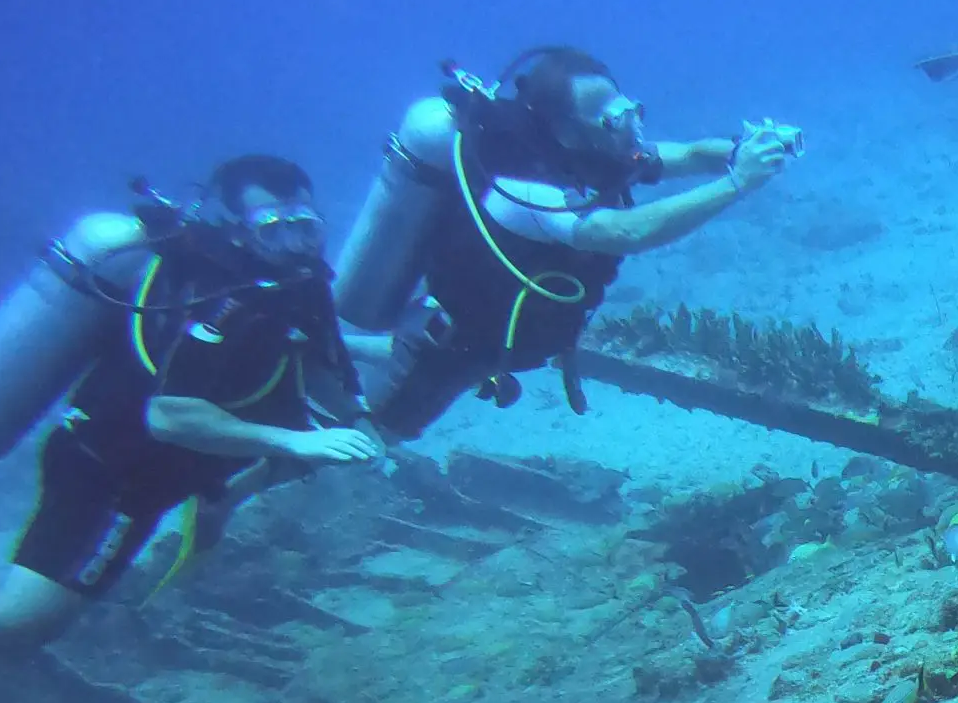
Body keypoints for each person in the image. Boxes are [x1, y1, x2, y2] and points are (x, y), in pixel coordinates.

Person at [0, 157, 379, 654]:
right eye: (273, 228)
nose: (295, 242)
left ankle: (215, 501)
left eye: (304, 225)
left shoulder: (293, 282)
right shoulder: (225, 301)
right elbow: (169, 415)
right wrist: (295, 440)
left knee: (38, 620)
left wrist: (367, 396)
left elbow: (311, 359)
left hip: (148, 476)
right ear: (236, 230)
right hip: (107, 470)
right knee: (16, 617)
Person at [329, 47, 802, 438]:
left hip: (516, 343)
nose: (631, 129)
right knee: (374, 438)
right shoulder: (525, 186)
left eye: (629, 111)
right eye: (612, 120)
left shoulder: (600, 147)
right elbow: (624, 233)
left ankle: (362, 347)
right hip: (455, 346)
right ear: (564, 128)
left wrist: (741, 148)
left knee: (454, 381)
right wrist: (737, 183)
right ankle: (322, 372)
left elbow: (685, 154)